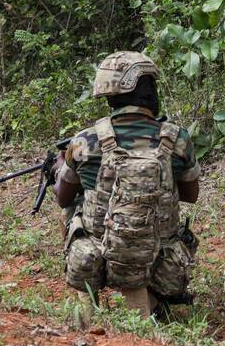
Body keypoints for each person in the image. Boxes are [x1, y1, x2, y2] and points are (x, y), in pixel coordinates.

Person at [53, 51, 201, 320]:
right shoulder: (177, 138)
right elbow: (191, 196)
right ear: (146, 93)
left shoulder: (85, 140)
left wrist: (59, 168)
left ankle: (85, 301)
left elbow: (62, 198)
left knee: (71, 210)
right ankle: (153, 298)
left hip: (96, 256)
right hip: (158, 260)